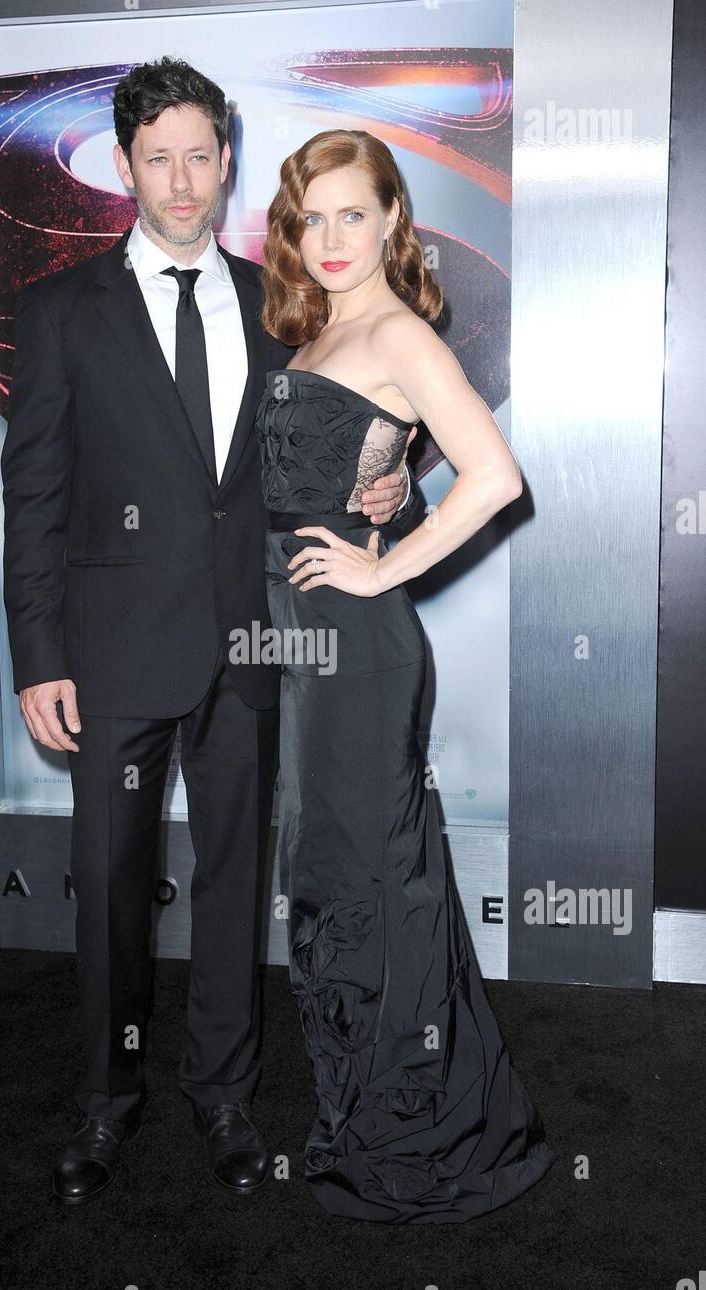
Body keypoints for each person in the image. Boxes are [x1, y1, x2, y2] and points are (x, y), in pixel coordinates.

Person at [0, 59, 425, 1206]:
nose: (181, 181)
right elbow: (33, 495)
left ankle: (225, 1098)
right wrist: (37, 655)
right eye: (156, 158)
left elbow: (357, 445)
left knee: (236, 888)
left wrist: (394, 497)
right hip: (112, 655)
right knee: (109, 884)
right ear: (123, 167)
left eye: (200, 155)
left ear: (226, 160)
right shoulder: (58, 315)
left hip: (253, 650)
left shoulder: (284, 308)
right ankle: (104, 1103)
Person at [255, 128, 557, 1222]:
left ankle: (408, 1134)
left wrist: (385, 572)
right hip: (302, 652)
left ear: (392, 218)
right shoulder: (314, 328)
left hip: (358, 656)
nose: (329, 237)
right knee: (341, 882)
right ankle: (365, 1109)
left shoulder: (392, 329)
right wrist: (390, 498)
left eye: (351, 213)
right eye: (309, 216)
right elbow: (372, 468)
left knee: (371, 886)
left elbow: (497, 474)